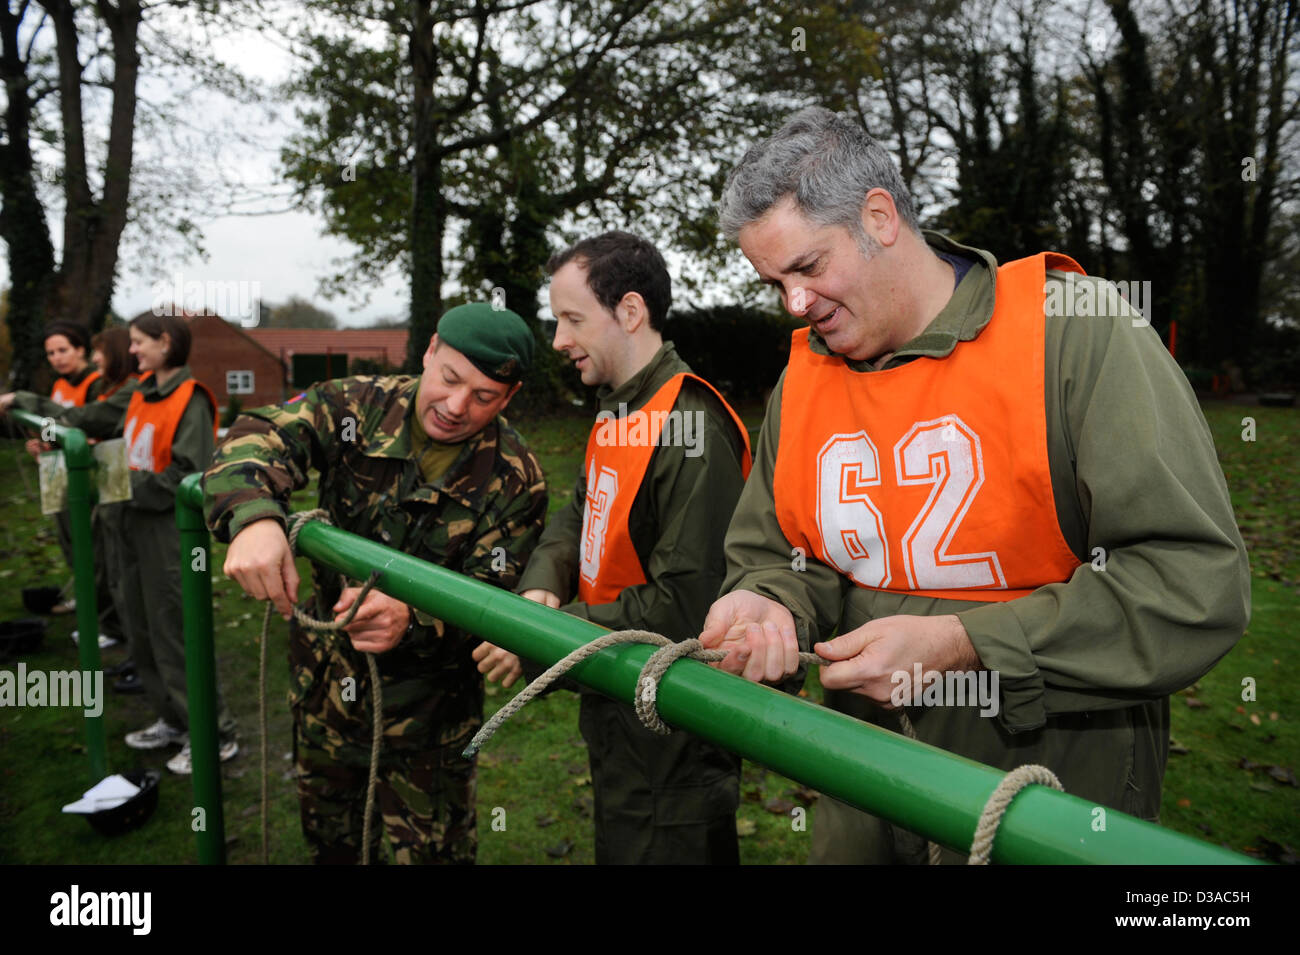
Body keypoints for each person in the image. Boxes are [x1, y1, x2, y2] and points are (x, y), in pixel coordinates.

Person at [698, 107, 1250, 863]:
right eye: (774, 283)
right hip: (861, 790)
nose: (795, 305)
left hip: (1046, 798)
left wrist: (965, 645)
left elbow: (1193, 583)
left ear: (881, 217)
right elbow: (784, 553)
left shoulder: (1075, 333)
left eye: (809, 267)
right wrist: (767, 603)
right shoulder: (804, 380)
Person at [204, 303, 547, 865]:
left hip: (430, 718)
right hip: (327, 690)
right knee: (332, 843)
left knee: (434, 854)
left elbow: (494, 601)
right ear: (430, 351)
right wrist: (254, 515)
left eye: (484, 396)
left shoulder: (517, 477)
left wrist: (414, 618)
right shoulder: (353, 405)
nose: (457, 407)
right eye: (451, 379)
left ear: (509, 398)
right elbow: (259, 434)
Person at [477, 232, 752, 864]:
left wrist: (541, 637)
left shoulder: (691, 429)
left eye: (572, 319)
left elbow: (681, 610)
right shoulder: (620, 407)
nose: (558, 341)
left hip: (673, 738)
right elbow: (581, 511)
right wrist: (543, 585)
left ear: (630, 312)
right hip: (618, 707)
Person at [117, 312, 238, 773]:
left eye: (139, 341)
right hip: (131, 526)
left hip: (169, 532)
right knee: (142, 628)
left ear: (165, 342)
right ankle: (174, 718)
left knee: (175, 631)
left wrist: (119, 486)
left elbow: (187, 473)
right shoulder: (141, 391)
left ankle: (214, 732)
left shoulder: (192, 399)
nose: (133, 350)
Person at [1, 326, 143, 684]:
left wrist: (41, 422)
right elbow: (56, 426)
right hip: (60, 469)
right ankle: (104, 618)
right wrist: (44, 443)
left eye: (63, 350)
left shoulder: (100, 386)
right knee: (75, 546)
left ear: (81, 351)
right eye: (50, 353)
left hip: (95, 476)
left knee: (101, 555)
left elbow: (84, 424)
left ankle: (113, 626)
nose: (56, 358)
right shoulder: (62, 385)